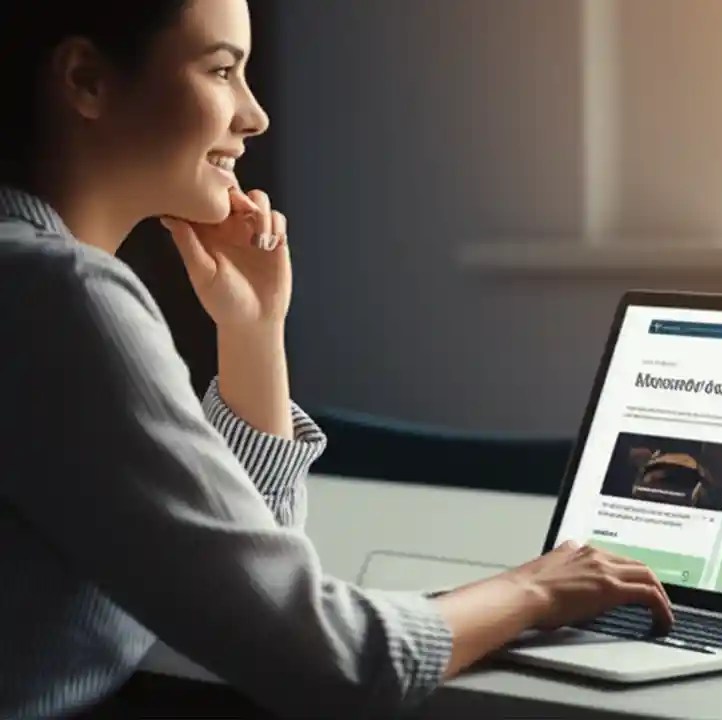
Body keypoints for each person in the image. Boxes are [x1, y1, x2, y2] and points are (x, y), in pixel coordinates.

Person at [0, 1, 673, 717]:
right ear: (87, 80)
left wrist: (254, 331)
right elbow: (329, 659)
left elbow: (241, 598)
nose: (254, 115)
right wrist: (535, 589)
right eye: (222, 69)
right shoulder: (59, 297)